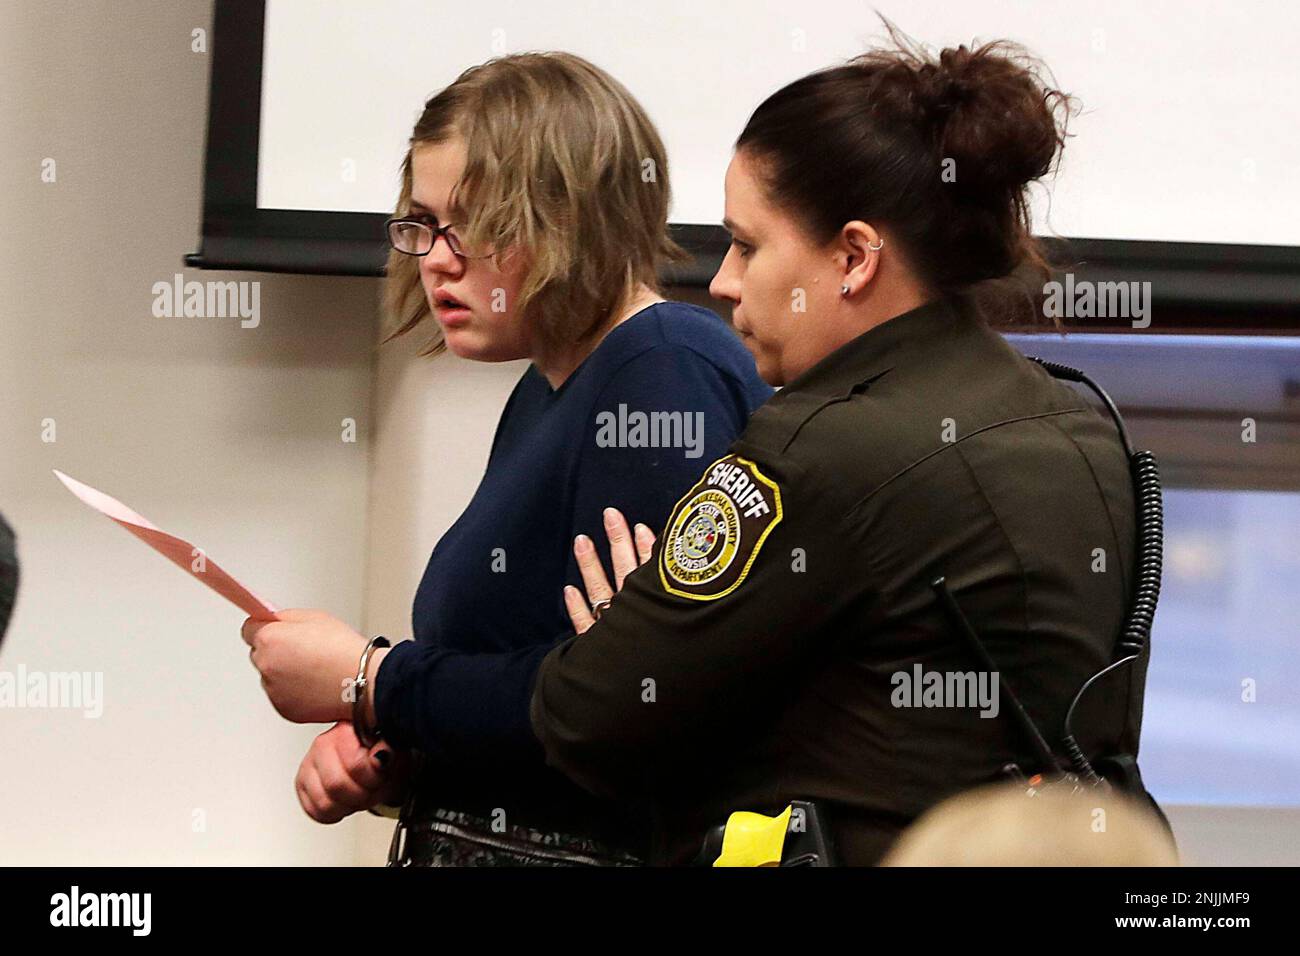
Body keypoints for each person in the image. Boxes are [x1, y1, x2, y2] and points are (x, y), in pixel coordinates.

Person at [529, 31, 1154, 865]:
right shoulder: (1083, 429)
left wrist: (629, 643)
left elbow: (584, 717)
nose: (722, 280)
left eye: (748, 245)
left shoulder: (819, 447)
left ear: (855, 257)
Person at [240, 53, 771, 865]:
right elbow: (546, 696)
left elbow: (630, 702)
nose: (438, 259)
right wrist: (403, 749)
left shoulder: (661, 371)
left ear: (577, 220)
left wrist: (372, 681)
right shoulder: (552, 386)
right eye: (422, 223)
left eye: (479, 227)